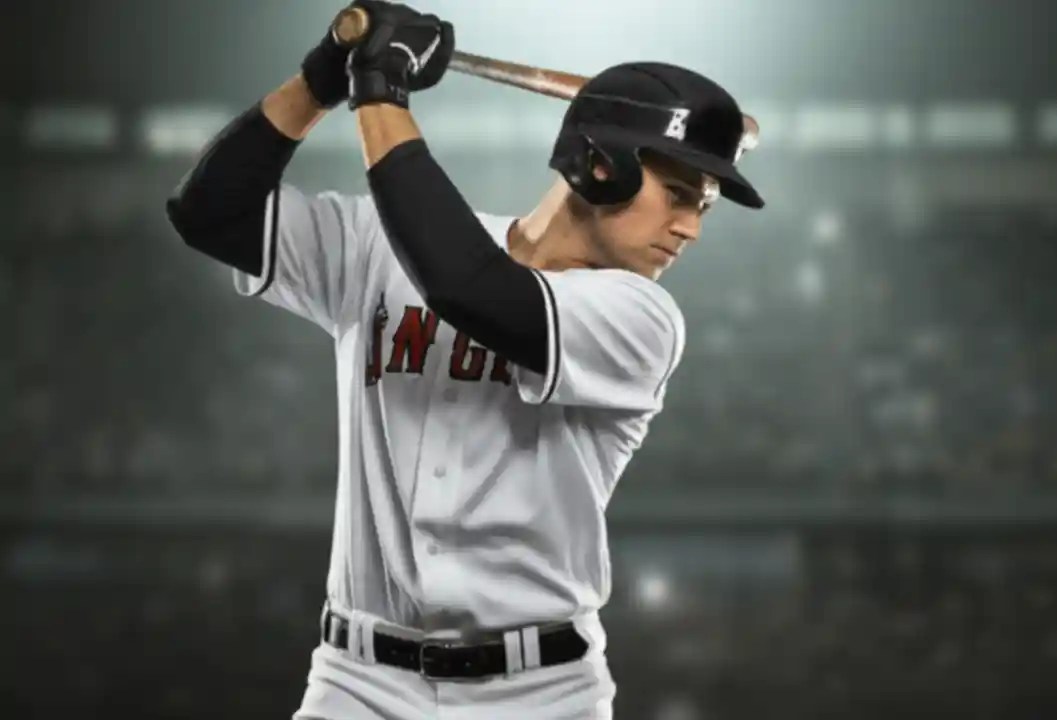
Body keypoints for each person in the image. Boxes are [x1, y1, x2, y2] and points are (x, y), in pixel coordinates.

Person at [164, 2, 764, 718]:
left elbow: (465, 286)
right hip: (358, 683)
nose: (691, 227)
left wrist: (381, 88)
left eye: (702, 207)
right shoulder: (378, 243)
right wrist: (320, 82)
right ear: (600, 165)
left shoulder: (641, 319)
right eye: (679, 194)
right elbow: (211, 214)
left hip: (541, 693)